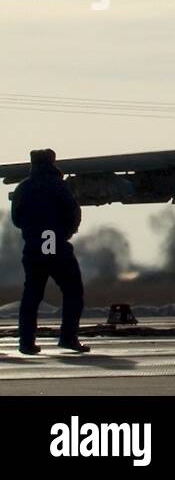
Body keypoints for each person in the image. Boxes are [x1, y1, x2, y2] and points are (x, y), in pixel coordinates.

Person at [10, 149, 89, 354]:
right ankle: (68, 337)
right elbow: (73, 212)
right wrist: (65, 233)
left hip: (33, 245)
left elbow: (16, 219)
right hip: (52, 242)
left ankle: (26, 343)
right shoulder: (58, 186)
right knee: (73, 291)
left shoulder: (23, 188)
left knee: (31, 295)